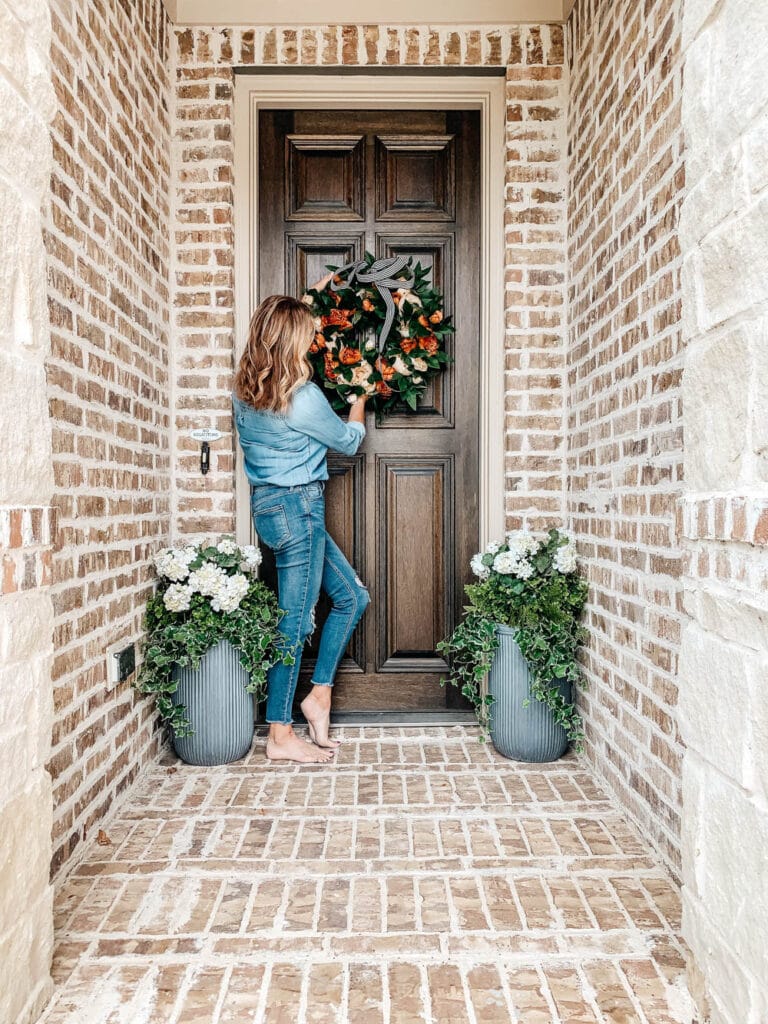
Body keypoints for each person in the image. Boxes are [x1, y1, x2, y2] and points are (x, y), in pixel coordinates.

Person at [233, 285, 369, 764]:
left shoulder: (243, 394)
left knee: (352, 597)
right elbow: (349, 441)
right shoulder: (303, 397)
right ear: (293, 340)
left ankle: (319, 696)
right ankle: (279, 733)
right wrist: (360, 398)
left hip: (270, 510)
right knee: (293, 622)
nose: (313, 342)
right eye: (308, 335)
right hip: (300, 509)